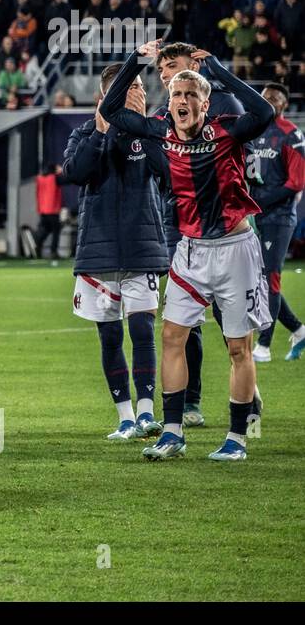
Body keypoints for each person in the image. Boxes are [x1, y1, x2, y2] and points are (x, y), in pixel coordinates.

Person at [100, 40, 274, 462]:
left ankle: (236, 439)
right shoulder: (159, 129)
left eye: (189, 94)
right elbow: (109, 112)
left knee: (238, 348)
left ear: (204, 102)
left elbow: (265, 112)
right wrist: (134, 62)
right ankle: (173, 432)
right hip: (191, 250)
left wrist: (217, 69)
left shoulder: (227, 130)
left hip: (235, 249)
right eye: (175, 93)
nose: (180, 100)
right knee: (172, 336)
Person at [63, 63, 169, 441]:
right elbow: (75, 173)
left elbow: (167, 175)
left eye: (140, 86)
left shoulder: (153, 131)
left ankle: (145, 413)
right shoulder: (84, 133)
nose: (136, 91)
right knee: (109, 337)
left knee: (142, 329)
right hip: (99, 251)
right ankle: (123, 417)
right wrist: (101, 131)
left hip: (143, 246)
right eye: (128, 87)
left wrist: (143, 127)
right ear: (102, 99)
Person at [152, 42, 244, 427]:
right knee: (181, 323)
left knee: (230, 323)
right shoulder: (163, 115)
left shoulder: (227, 106)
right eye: (161, 73)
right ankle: (189, 402)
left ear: (196, 66)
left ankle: (246, 393)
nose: (167, 76)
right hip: (182, 226)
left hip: (226, 227)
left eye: (173, 67)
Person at [245, 82, 305, 362]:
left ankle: (264, 345)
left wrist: (262, 202)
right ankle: (298, 330)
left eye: (276, 98)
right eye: (266, 97)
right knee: (262, 278)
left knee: (270, 277)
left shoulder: (291, 135)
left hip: (279, 217)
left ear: (284, 104)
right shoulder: (252, 131)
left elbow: (296, 183)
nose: (270, 101)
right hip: (256, 215)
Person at [32, 162, 68, 259]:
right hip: (52, 209)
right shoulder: (54, 178)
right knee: (56, 230)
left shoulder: (40, 178)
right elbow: (67, 179)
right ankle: (53, 251)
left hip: (43, 209)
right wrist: (61, 171)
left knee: (47, 229)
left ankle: (37, 245)